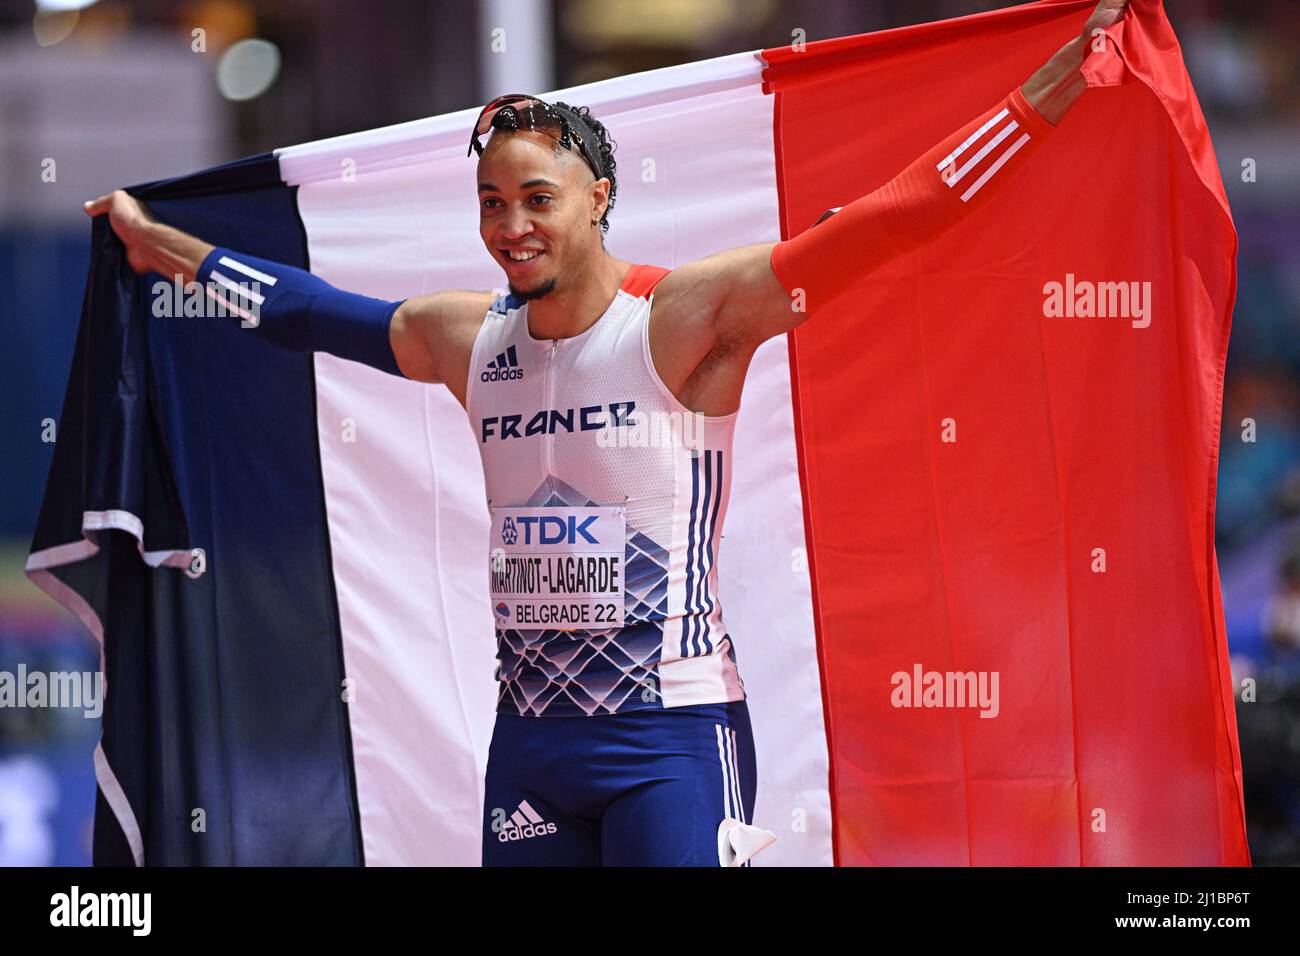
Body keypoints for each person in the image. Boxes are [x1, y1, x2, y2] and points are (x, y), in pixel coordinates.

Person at [85, 0, 1131, 866]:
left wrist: (1054, 86)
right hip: (531, 745)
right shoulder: (466, 337)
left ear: (600, 197)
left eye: (537, 197)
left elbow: (891, 219)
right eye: (491, 203)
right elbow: (309, 310)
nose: (510, 226)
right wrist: (157, 244)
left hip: (669, 740)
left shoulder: (685, 317)